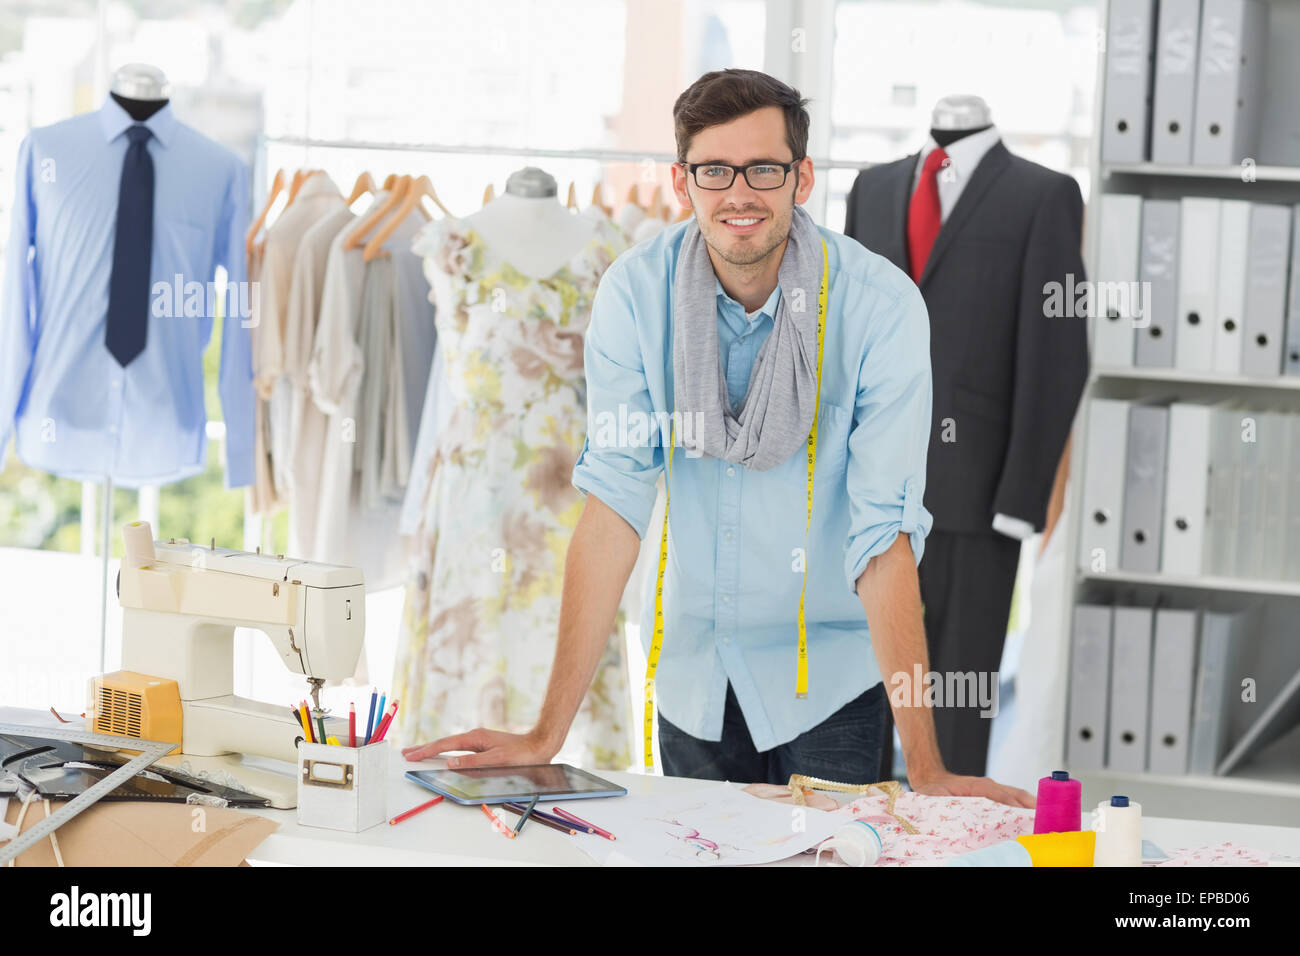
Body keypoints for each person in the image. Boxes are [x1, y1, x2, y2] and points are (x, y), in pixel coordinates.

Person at [403, 68, 1034, 807]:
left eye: (764, 169)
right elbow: (613, 509)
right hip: (693, 683)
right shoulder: (636, 295)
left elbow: (883, 535)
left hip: (827, 682)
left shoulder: (878, 307)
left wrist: (925, 768)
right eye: (715, 170)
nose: (740, 194)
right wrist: (545, 735)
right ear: (682, 181)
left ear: (800, 178)